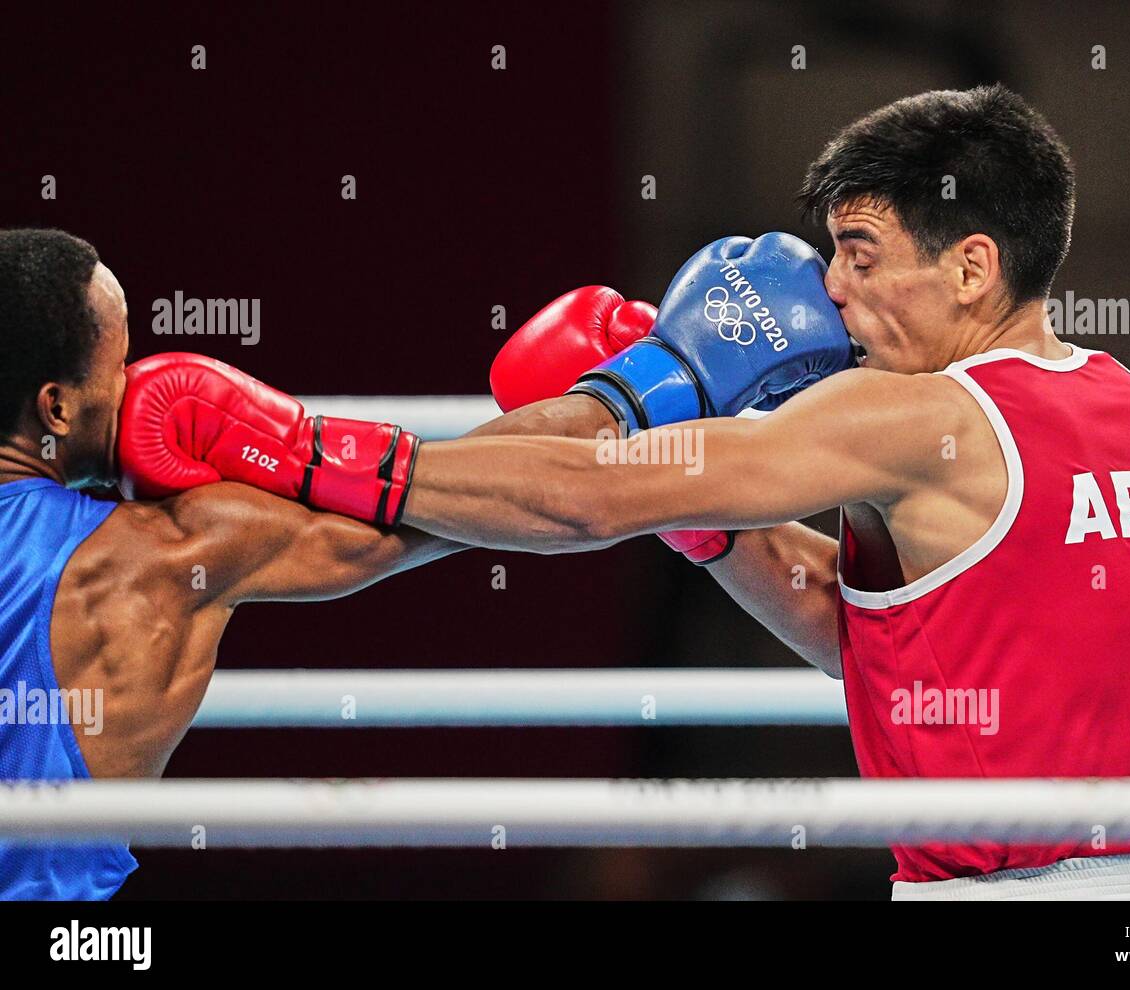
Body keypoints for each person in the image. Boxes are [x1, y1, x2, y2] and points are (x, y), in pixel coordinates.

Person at [378, 85, 1130, 899]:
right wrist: (698, 520)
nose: (833, 289)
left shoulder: (917, 411)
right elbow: (881, 636)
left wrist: (337, 458)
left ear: (971, 268)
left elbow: (593, 496)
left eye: (861, 257)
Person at [0, 229, 680, 898]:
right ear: (56, 408)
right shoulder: (165, 553)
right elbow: (413, 515)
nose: (136, 387)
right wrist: (616, 403)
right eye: (119, 368)